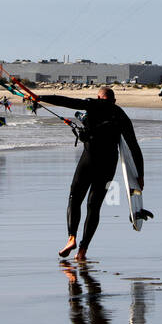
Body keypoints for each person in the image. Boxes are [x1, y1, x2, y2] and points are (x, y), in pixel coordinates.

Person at [36, 87, 144, 262]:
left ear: (99, 97)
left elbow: (67, 101)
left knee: (75, 197)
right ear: (114, 100)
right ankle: (82, 250)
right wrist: (140, 174)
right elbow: (133, 146)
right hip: (108, 163)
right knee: (94, 206)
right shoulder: (121, 115)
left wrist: (40, 97)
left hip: (89, 160)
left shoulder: (93, 105)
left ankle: (71, 238)